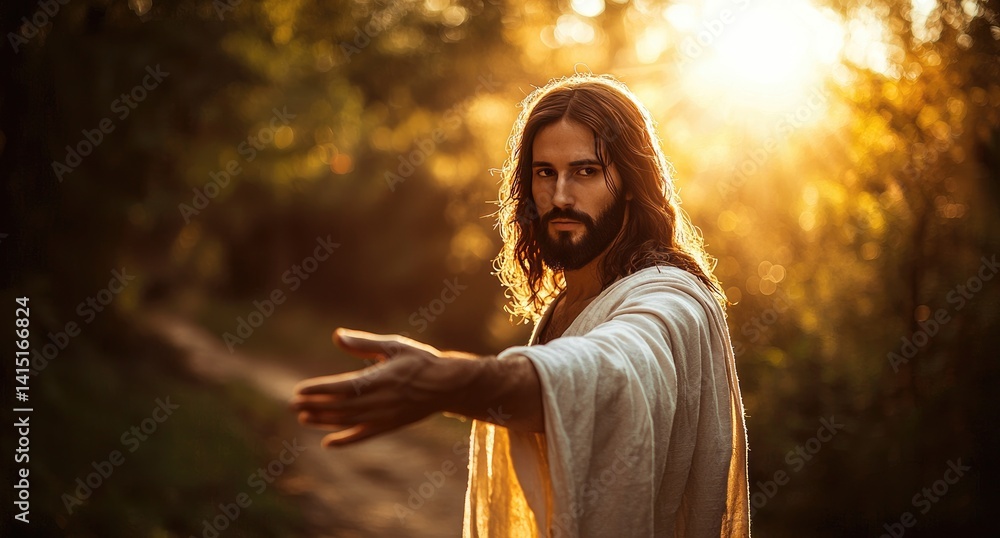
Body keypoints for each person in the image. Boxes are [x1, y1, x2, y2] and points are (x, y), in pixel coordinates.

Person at [290, 74, 751, 537]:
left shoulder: (670, 298)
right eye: (545, 172)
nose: (561, 197)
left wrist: (448, 382)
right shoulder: (570, 303)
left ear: (631, 182)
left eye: (586, 171)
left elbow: (608, 368)